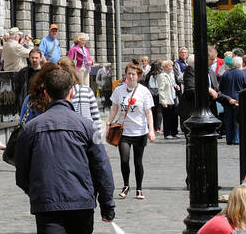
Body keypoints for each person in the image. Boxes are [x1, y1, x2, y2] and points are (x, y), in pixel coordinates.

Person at [15, 63, 115, 234]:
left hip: (48, 204)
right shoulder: (86, 126)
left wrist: (36, 191)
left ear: (45, 93)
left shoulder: (32, 128)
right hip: (81, 201)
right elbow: (102, 167)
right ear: (71, 92)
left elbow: (21, 172)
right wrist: (107, 204)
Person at [106, 63, 155, 201]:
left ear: (138, 76)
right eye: (129, 74)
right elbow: (114, 108)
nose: (131, 76)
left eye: (134, 74)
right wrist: (109, 123)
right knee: (124, 159)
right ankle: (126, 185)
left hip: (140, 130)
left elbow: (148, 112)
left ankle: (139, 188)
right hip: (124, 130)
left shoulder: (144, 91)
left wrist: (151, 130)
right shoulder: (119, 90)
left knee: (138, 161)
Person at [59, 56, 103, 141]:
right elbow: (96, 118)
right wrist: (98, 141)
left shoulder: (57, 94)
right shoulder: (86, 91)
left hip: (67, 139)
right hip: (87, 136)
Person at [217, 55, 246, 145]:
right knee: (237, 121)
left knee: (228, 120)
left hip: (227, 100)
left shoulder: (226, 74)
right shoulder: (243, 74)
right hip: (239, 100)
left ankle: (229, 139)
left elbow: (220, 88)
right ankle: (236, 139)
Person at [155, 60, 179, 138]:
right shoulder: (162, 76)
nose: (171, 67)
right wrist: (163, 101)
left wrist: (176, 86)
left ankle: (174, 132)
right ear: (165, 67)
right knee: (167, 116)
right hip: (167, 98)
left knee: (174, 116)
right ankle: (167, 133)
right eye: (170, 66)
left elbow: (172, 83)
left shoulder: (171, 75)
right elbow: (161, 89)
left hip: (173, 97)